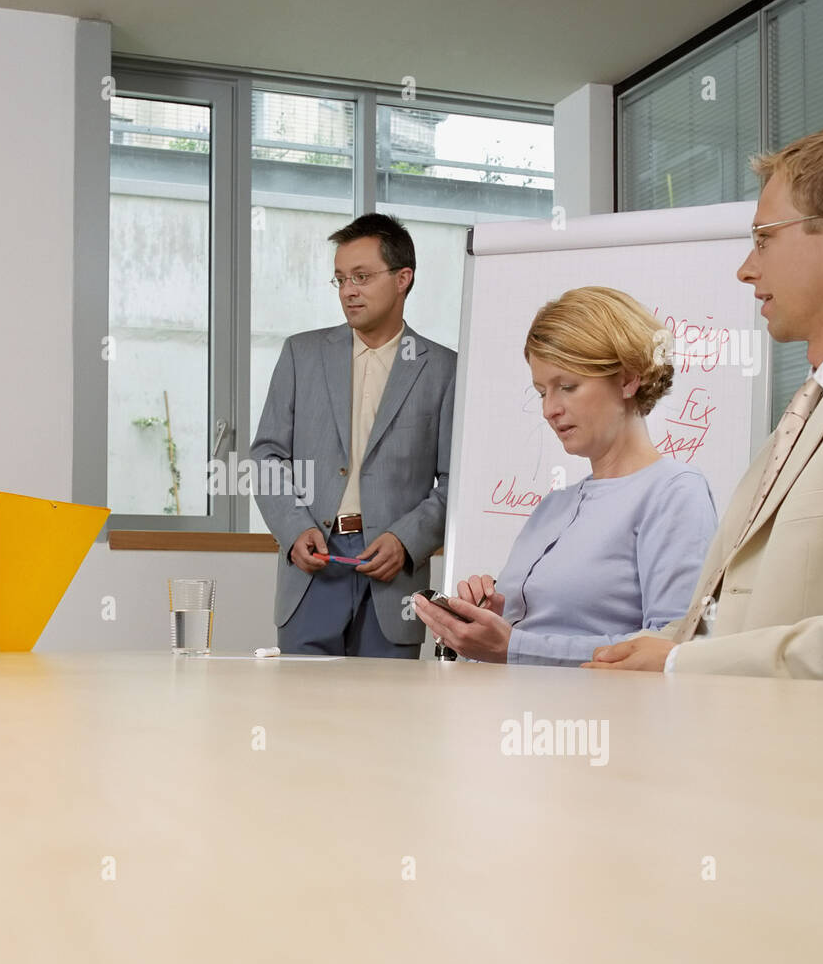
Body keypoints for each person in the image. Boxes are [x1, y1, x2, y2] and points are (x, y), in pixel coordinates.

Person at [587, 117, 823, 681]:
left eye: (765, 238)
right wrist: (658, 650)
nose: (745, 269)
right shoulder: (821, 396)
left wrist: (683, 661)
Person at [414, 286, 717, 664]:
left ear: (627, 379)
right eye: (542, 392)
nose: (549, 410)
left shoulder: (674, 493)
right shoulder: (553, 506)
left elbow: (673, 648)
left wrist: (513, 647)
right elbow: (531, 637)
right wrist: (491, 621)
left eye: (567, 387)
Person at [251, 213, 456, 658]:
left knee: (383, 722)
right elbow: (266, 458)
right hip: (312, 566)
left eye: (361, 277)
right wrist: (294, 528)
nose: (348, 290)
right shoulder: (300, 355)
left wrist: (406, 541)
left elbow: (454, 480)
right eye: (341, 279)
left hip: (392, 577)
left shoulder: (444, 370)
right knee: (303, 719)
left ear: (403, 278)